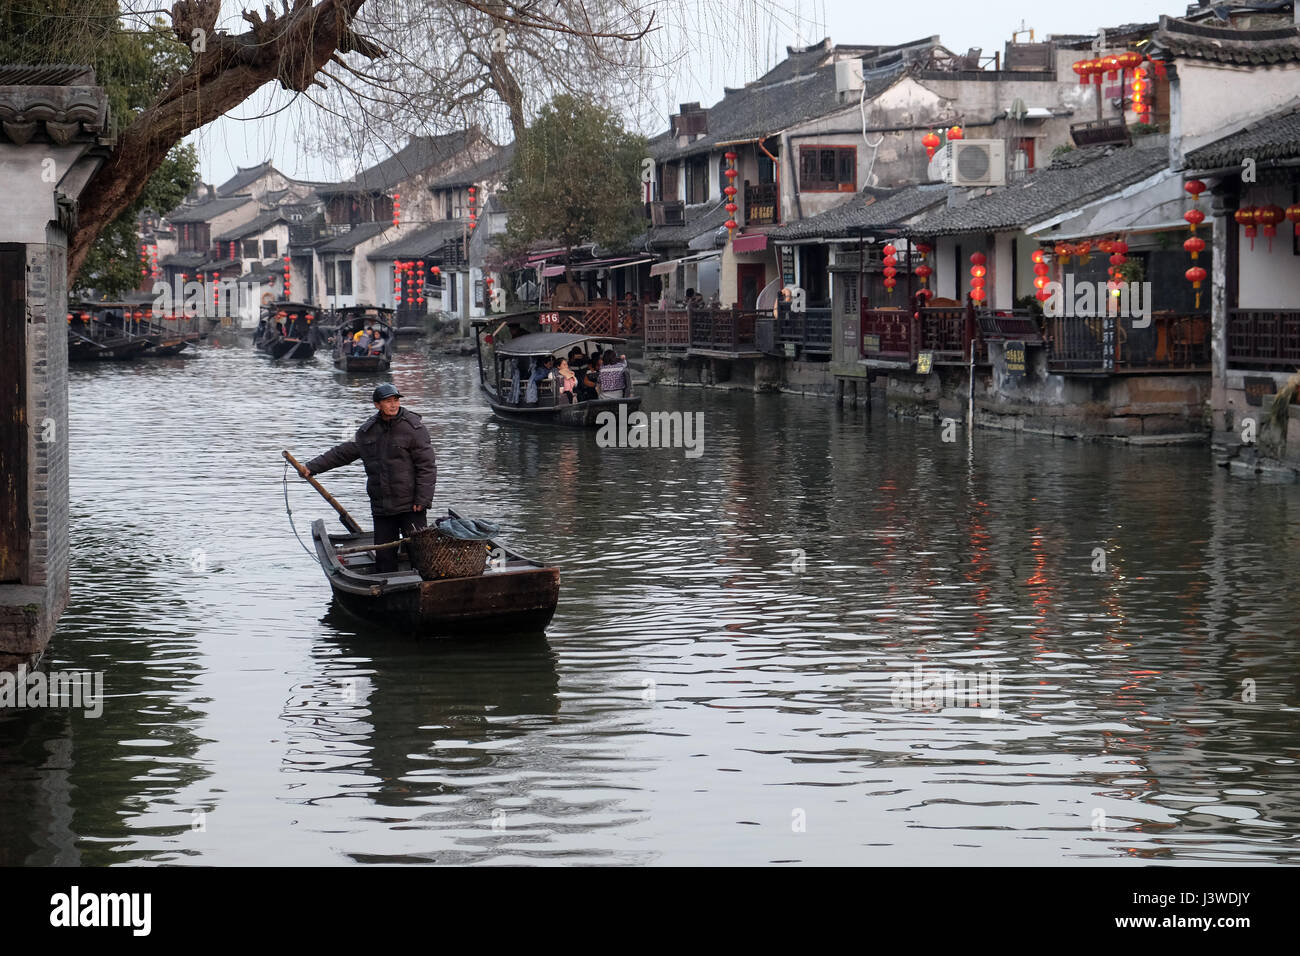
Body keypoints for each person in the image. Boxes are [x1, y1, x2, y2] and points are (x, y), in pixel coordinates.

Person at [303, 383, 436, 575]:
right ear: (377, 405)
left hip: (411, 505)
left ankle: (426, 586)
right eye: (388, 401)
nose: (393, 405)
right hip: (382, 505)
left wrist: (423, 499)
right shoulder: (368, 431)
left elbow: (427, 467)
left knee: (420, 552)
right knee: (384, 556)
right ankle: (388, 592)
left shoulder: (413, 428)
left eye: (396, 400)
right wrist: (310, 468)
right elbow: (343, 453)